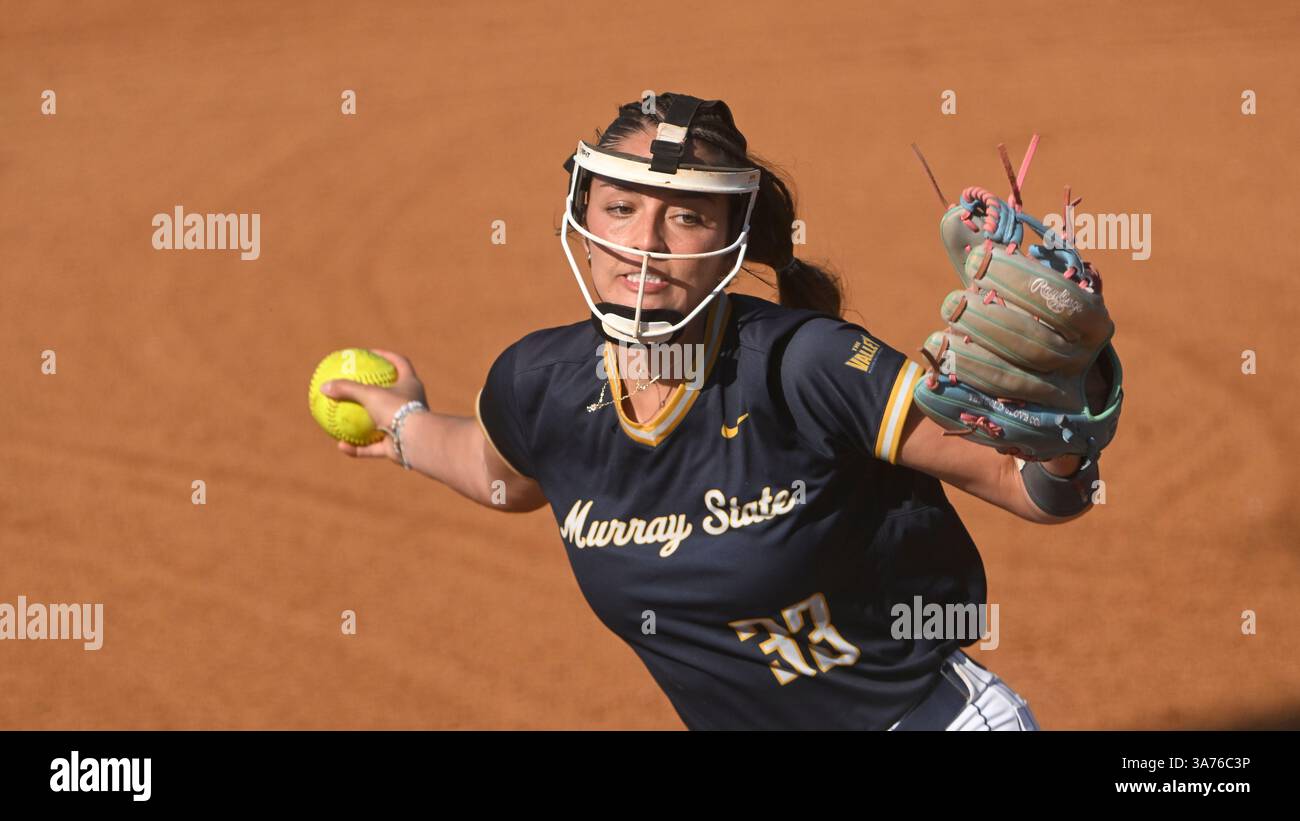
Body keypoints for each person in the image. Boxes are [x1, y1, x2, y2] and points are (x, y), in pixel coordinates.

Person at [319, 92, 1104, 730]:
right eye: (620, 208)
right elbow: (503, 476)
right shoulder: (539, 383)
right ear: (583, 220)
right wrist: (404, 424)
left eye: (687, 215)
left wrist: (1065, 412)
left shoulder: (808, 364)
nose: (647, 245)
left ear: (732, 235)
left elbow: (1032, 488)